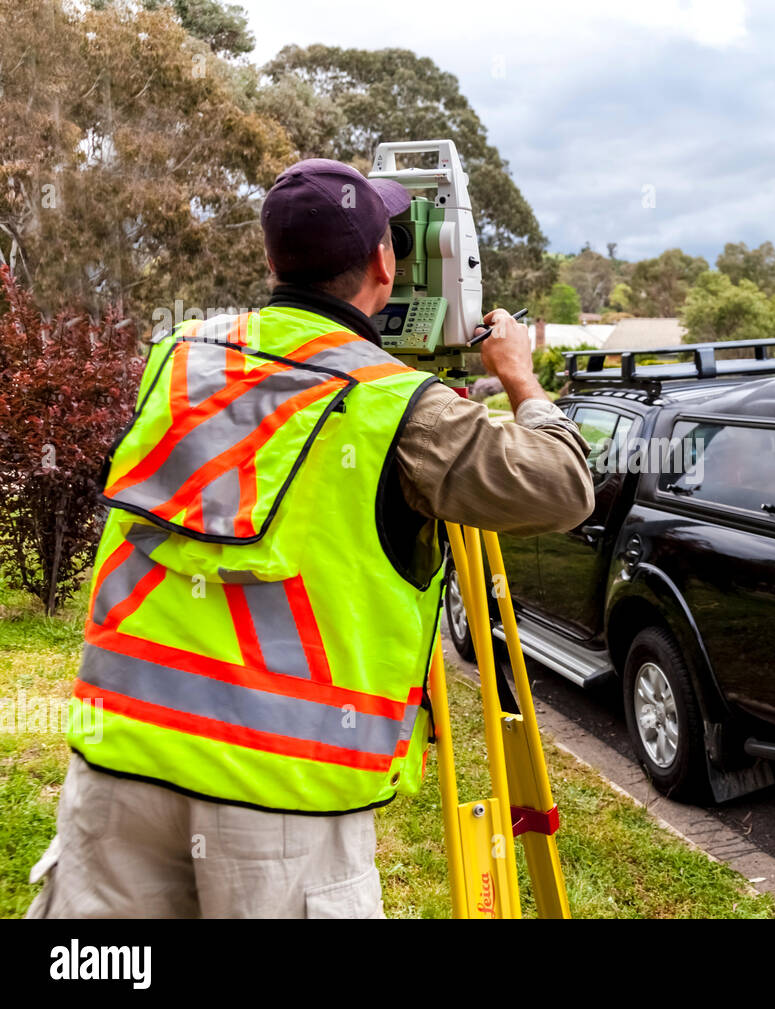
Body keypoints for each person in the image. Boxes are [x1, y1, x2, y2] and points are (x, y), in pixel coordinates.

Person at [25, 158, 595, 918]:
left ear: (270, 260)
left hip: (120, 763)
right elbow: (563, 489)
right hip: (279, 794)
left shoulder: (179, 355)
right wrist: (520, 379)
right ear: (384, 264)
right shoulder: (397, 407)